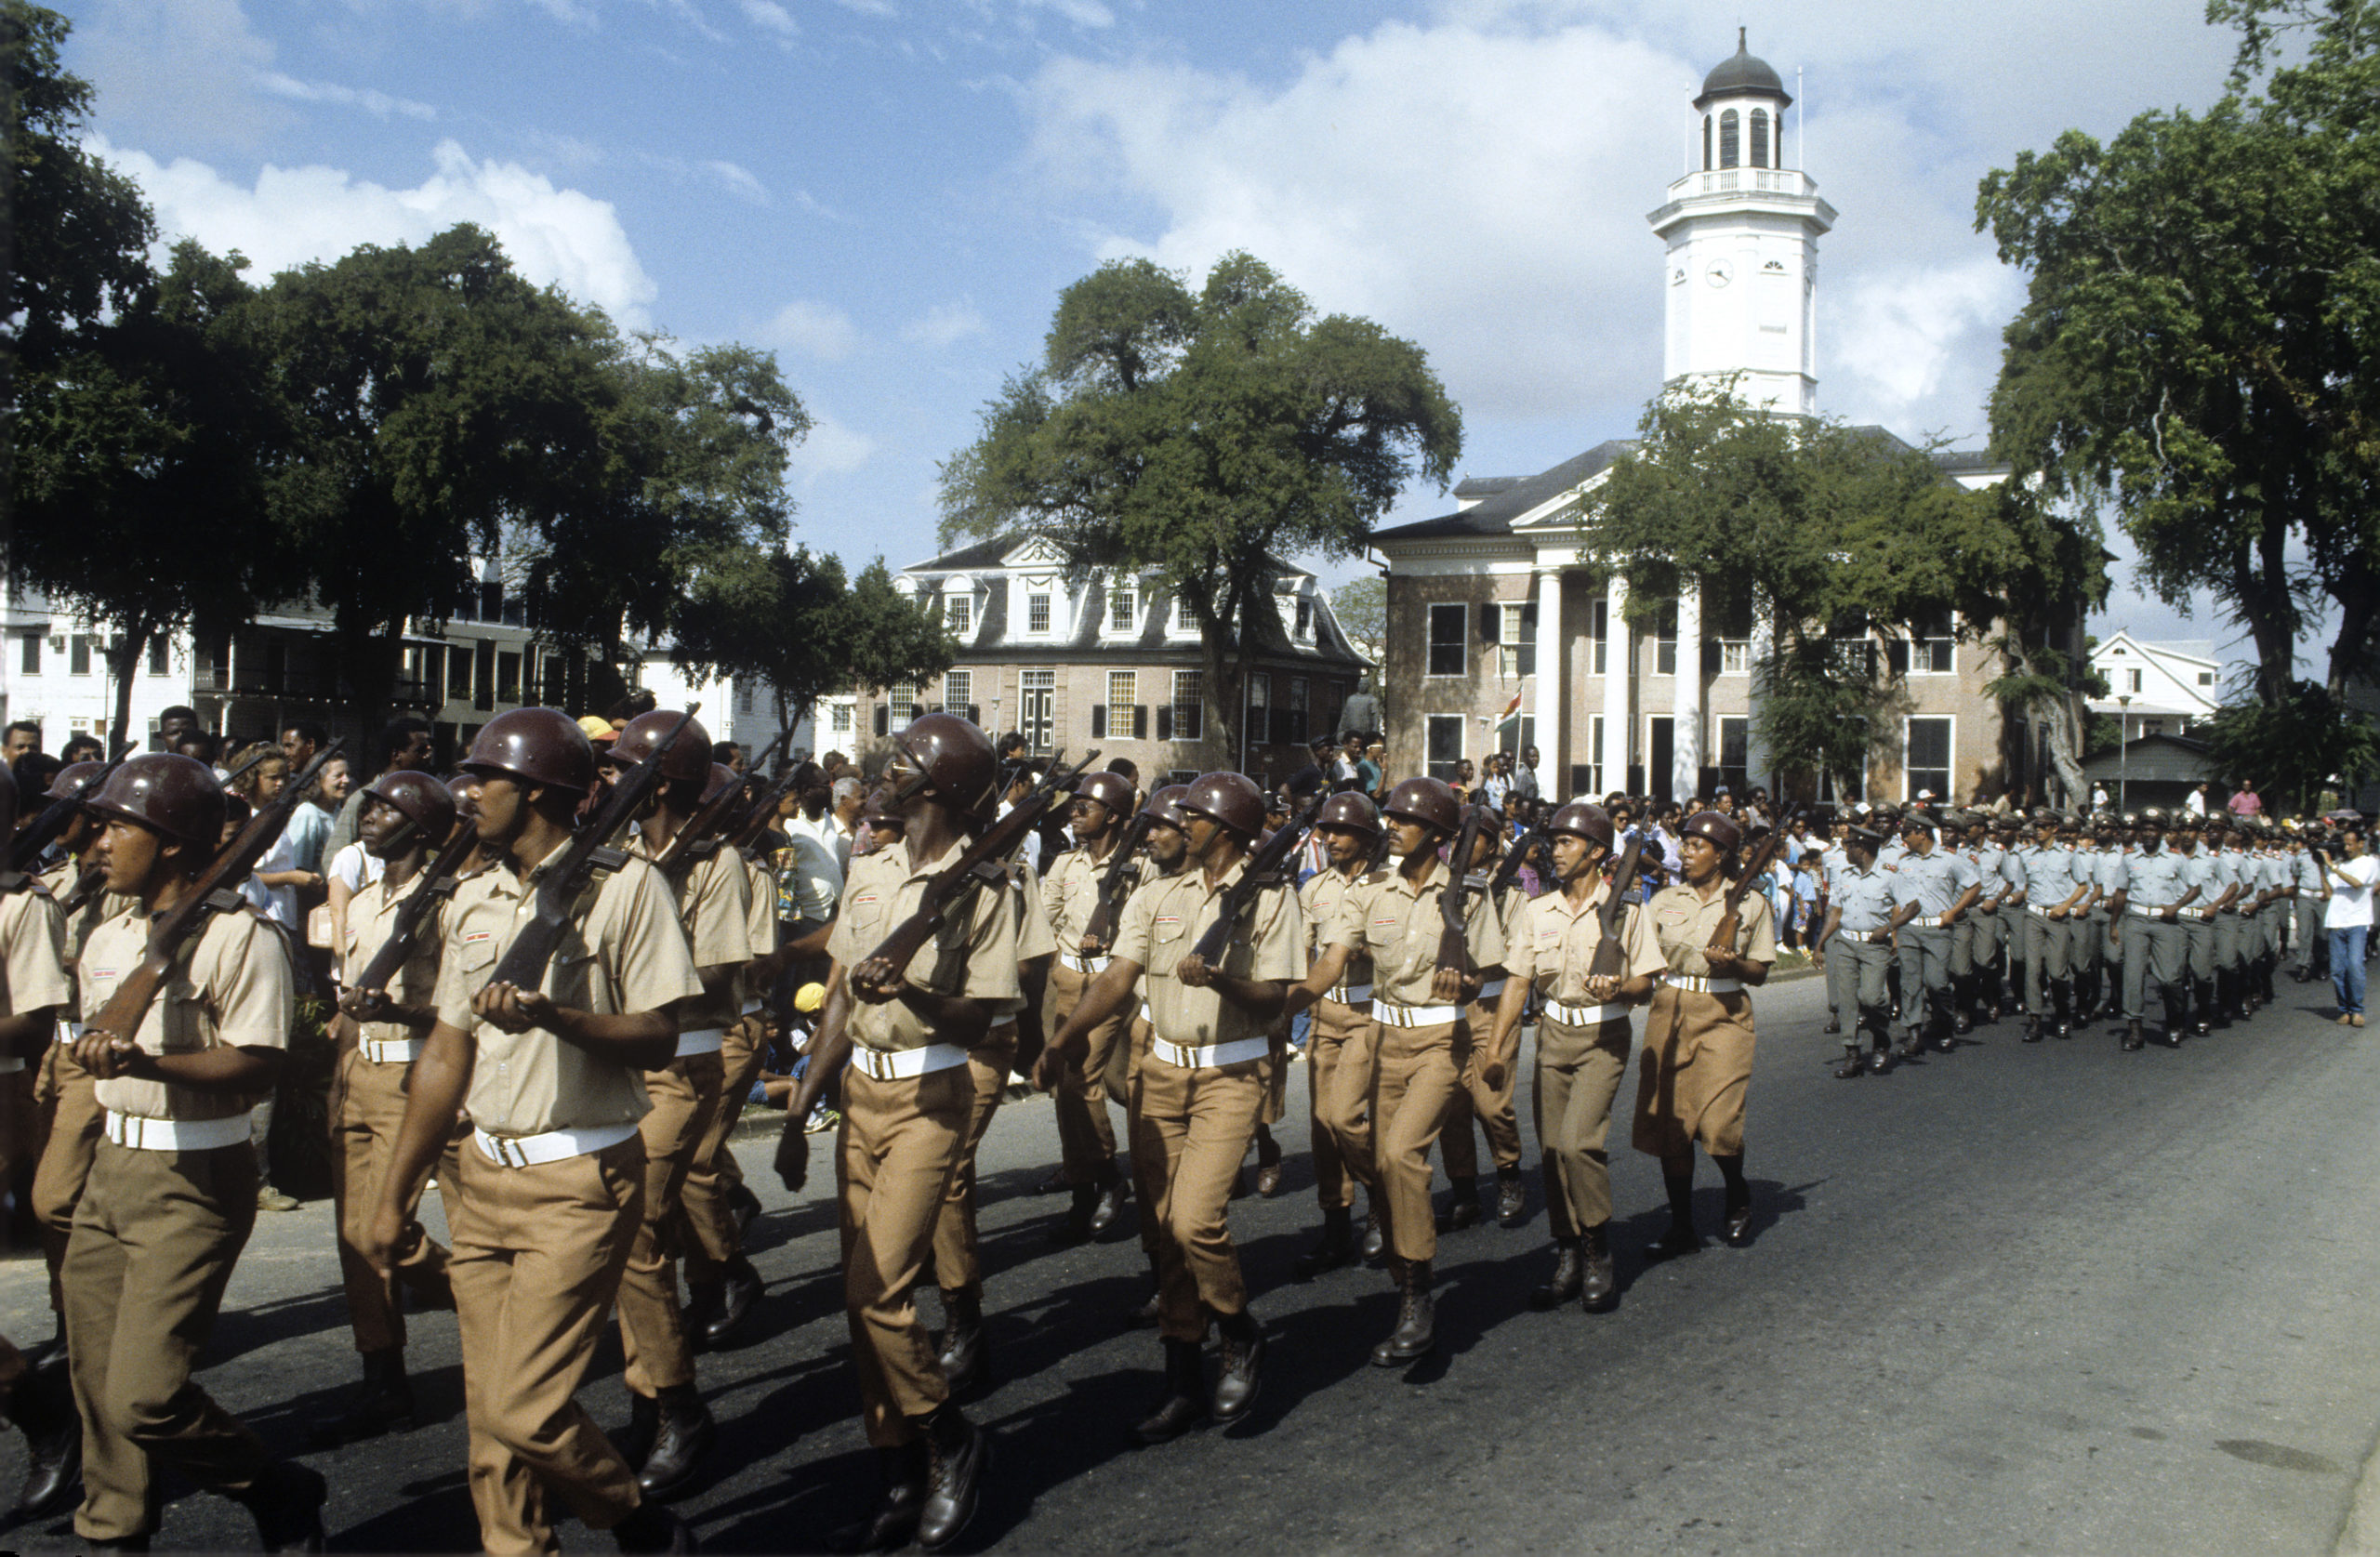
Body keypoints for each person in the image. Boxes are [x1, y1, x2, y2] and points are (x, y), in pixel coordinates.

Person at [362, 708, 704, 1555]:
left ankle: (637, 1518)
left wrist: (560, 1017)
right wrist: (393, 1192)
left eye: (486, 778)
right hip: (481, 1179)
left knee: (528, 1409)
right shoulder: (471, 894)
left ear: (540, 792)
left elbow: (661, 1032)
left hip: (578, 1180)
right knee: (492, 1425)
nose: (466, 790)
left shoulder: (627, 886)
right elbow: (447, 1048)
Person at [64, 754, 330, 1550]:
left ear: (174, 842)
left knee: (145, 1395)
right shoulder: (108, 931)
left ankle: (275, 1485)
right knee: (94, 1384)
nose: (99, 842)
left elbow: (260, 1060)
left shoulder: (238, 935)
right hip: (110, 1166)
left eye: (119, 826)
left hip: (194, 1176)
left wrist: (147, 1062)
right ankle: (114, 1531)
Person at [771, 713, 1011, 1553]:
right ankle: (898, 1466)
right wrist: (803, 1106)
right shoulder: (869, 869)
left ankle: (949, 1435)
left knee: (880, 1287)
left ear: (939, 783)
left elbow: (980, 1019)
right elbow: (840, 995)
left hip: (929, 1098)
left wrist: (908, 990)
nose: (888, 765)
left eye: (906, 758)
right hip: (859, 1101)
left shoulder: (988, 886)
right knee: (856, 1300)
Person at [1039, 771, 1298, 1444]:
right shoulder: (1155, 894)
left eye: (1190, 817)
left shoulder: (1269, 899)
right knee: (1163, 1232)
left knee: (1194, 1220)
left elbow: (1276, 999)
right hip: (1161, 1075)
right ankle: (1182, 1377)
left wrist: (1222, 977)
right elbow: (1119, 977)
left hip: (1227, 1077)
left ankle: (1240, 1330)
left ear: (1225, 830)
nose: (1174, 825)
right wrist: (1065, 1040)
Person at [599, 710, 756, 1500]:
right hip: (622, 1065)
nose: (607, 780)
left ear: (657, 780)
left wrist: (656, 941)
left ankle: (680, 1406)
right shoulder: (620, 852)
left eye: (621, 767)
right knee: (629, 1229)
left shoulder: (717, 861)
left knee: (636, 1226)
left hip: (683, 1062)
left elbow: (728, 983)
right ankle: (649, 1398)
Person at [1293, 775, 1503, 1366]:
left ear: (1436, 834)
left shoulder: (1468, 893)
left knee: (1399, 1154)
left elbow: (1488, 972)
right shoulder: (1371, 890)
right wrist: (1285, 1003)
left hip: (1441, 1039)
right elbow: (1333, 958)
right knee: (1355, 1137)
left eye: (1403, 821)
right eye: (1387, 818)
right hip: (1380, 1036)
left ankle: (1416, 1295)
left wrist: (1464, 977)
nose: (1390, 827)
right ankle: (1393, 1231)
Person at [316, 771, 465, 1448]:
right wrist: (336, 1081)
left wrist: (400, 1009)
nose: (369, 816)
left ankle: (472, 1288)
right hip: (360, 1072)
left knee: (387, 1230)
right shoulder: (369, 901)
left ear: (423, 826)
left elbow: (459, 1012)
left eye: (386, 808)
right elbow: (350, 1001)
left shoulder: (446, 902)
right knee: (355, 1236)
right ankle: (383, 1376)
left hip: (416, 1071)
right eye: (368, 806)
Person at [1482, 802, 1662, 1311]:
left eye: (1565, 842)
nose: (1553, 851)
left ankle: (1597, 1248)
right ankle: (1566, 1251)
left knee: (1580, 1143)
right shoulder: (1537, 910)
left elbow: (1646, 984)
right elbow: (1518, 981)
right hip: (1554, 1036)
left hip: (1604, 1038)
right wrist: (1496, 1050)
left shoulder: (1628, 910)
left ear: (1597, 852)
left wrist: (1620, 985)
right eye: (1553, 841)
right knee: (1554, 1149)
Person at [1633, 810, 1775, 1254]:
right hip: (1670, 1010)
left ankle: (1738, 1194)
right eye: (1685, 844)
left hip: (1724, 1011)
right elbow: (1642, 961)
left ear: (1722, 855)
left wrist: (1733, 962)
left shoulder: (1750, 903)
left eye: (1697, 846)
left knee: (1718, 1123)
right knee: (1671, 1125)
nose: (1685, 852)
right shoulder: (1664, 900)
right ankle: (1681, 1227)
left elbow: (1760, 972)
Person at [1035, 770, 1144, 1239]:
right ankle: (1082, 1186)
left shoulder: (1142, 868)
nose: (1074, 813)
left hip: (1108, 986)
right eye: (1073, 807)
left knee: (1083, 1080)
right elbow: (1044, 921)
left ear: (1114, 816)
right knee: (1063, 1083)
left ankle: (1110, 1176)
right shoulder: (1065, 865)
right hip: (1063, 978)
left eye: (1085, 807)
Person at [1285, 791, 1385, 1277]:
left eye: (1342, 832)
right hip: (1325, 1014)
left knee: (1346, 1117)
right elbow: (1302, 957)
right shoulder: (1314, 889)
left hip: (1369, 1013)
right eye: (1327, 831)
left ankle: (1382, 1198)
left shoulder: (1387, 885)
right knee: (1323, 1126)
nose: (1330, 840)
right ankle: (1336, 1228)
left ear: (1367, 837)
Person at [1883, 815, 1980, 1058]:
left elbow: (1975, 886)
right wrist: (1895, 934)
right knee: (1910, 983)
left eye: (1907, 833)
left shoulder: (1950, 860)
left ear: (1922, 833)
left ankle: (1943, 1023)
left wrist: (1954, 912)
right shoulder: (1904, 862)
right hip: (1909, 930)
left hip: (1938, 930)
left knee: (1937, 983)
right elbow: (1898, 901)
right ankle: (1914, 1033)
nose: (1904, 838)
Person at [2104, 808, 2196, 1050]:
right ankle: (2135, 1029)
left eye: (2154, 829)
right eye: (2144, 829)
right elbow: (2121, 893)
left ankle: (2175, 1021)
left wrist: (2177, 905)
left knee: (2168, 977)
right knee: (2133, 975)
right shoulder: (2130, 858)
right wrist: (2114, 924)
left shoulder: (2176, 859)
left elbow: (2195, 888)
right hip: (2136, 920)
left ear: (2163, 832)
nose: (2148, 833)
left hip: (2165, 922)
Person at [1814, 825, 1897, 1076]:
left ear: (1862, 849)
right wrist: (1820, 944)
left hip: (1874, 945)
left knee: (1871, 998)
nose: (1845, 850)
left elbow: (1903, 907)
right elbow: (1836, 912)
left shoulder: (1888, 876)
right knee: (1847, 1001)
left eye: (1850, 846)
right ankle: (1853, 1054)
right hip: (1846, 943)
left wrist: (1894, 934)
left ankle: (1881, 1039)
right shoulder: (1845, 876)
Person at [324, 718, 436, 865]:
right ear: (396, 754)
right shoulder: (362, 799)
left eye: (430, 749)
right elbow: (333, 858)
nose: (428, 756)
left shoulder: (425, 799)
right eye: (421, 751)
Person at [2318, 823, 2374, 1024]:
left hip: (2358, 921)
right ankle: (2345, 1009)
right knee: (2337, 969)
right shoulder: (2341, 864)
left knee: (2355, 965)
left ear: (2361, 843)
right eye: (2345, 844)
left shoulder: (2370, 862)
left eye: (2351, 844)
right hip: (2336, 921)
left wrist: (2332, 866)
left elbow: (2357, 883)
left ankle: (2357, 1009)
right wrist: (2322, 869)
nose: (2347, 848)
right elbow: (2329, 892)